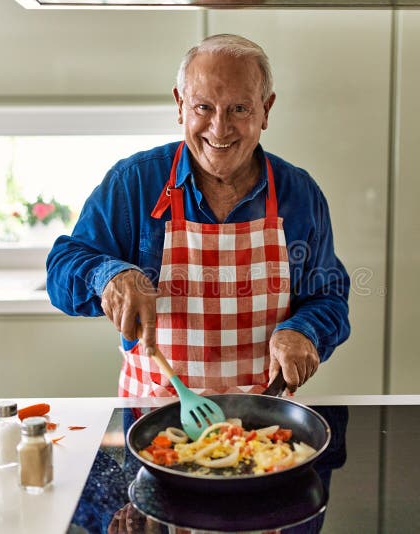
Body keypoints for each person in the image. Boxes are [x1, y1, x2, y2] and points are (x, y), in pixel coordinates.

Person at [46, 34, 350, 397]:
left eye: (239, 108)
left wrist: (304, 330)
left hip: (263, 424)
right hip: (152, 421)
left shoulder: (300, 194)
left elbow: (328, 295)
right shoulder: (133, 183)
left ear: (266, 110)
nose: (219, 128)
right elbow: (61, 271)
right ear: (180, 105)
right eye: (203, 107)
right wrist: (107, 276)